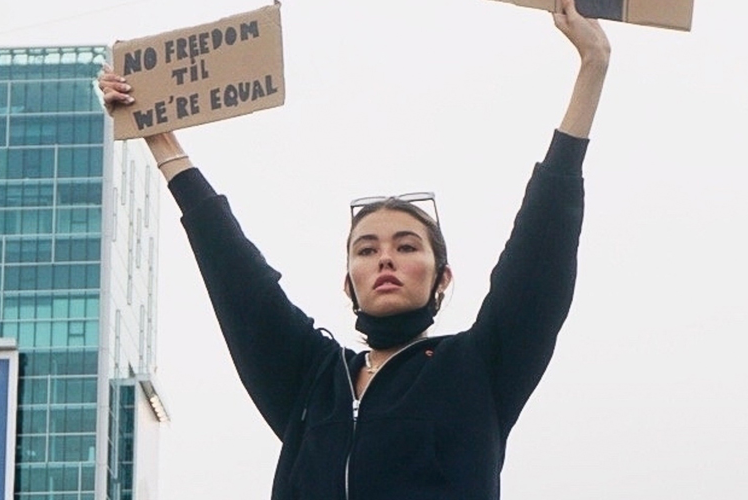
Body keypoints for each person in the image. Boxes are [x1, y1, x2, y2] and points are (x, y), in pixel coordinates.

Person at [100, 0, 609, 498]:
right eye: (366, 250)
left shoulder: (478, 368)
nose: (384, 258)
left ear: (443, 277)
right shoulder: (312, 380)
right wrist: (158, 135)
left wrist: (593, 66)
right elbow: (237, 278)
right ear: (349, 283)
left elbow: (539, 256)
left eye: (406, 246)